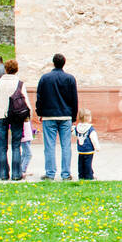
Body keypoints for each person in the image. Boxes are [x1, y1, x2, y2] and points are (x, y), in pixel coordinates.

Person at [35, 53, 79, 181]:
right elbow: (74, 99)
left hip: (49, 115)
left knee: (49, 145)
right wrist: (73, 116)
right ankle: (65, 174)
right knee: (66, 145)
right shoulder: (70, 79)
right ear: (64, 63)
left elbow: (40, 97)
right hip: (65, 115)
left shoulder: (45, 78)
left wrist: (40, 112)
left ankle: (50, 173)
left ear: (53, 63)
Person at [0, 58, 29, 181]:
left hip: (2, 115)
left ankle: (3, 174)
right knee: (16, 145)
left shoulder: (0, 82)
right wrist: (27, 116)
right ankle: (16, 173)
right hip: (16, 115)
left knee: (2, 146)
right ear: (16, 69)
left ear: (6, 69)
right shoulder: (19, 83)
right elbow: (25, 100)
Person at [73, 108, 100, 180]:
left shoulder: (78, 127)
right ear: (88, 118)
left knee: (81, 164)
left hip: (81, 149)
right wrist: (97, 147)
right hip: (89, 150)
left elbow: (74, 133)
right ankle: (89, 176)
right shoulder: (90, 129)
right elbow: (93, 139)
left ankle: (81, 175)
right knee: (88, 163)